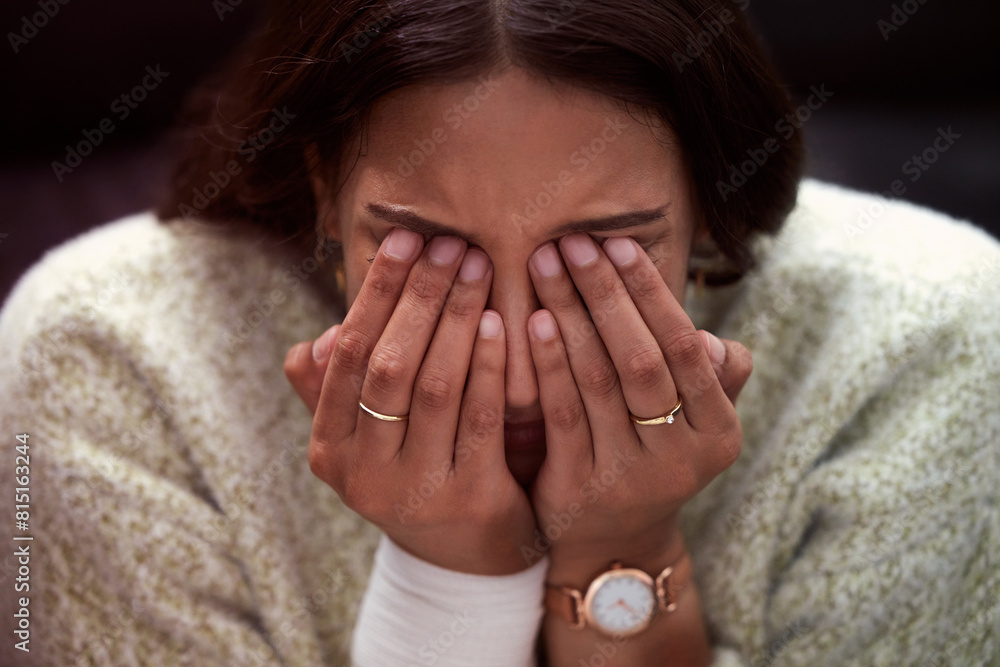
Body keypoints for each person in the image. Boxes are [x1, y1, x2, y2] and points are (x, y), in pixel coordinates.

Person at [1, 0, 998, 665]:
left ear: (710, 203)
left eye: (600, 257)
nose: (517, 364)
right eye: (430, 255)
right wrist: (446, 578)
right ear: (320, 193)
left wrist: (622, 552)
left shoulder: (930, 338)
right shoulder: (101, 352)